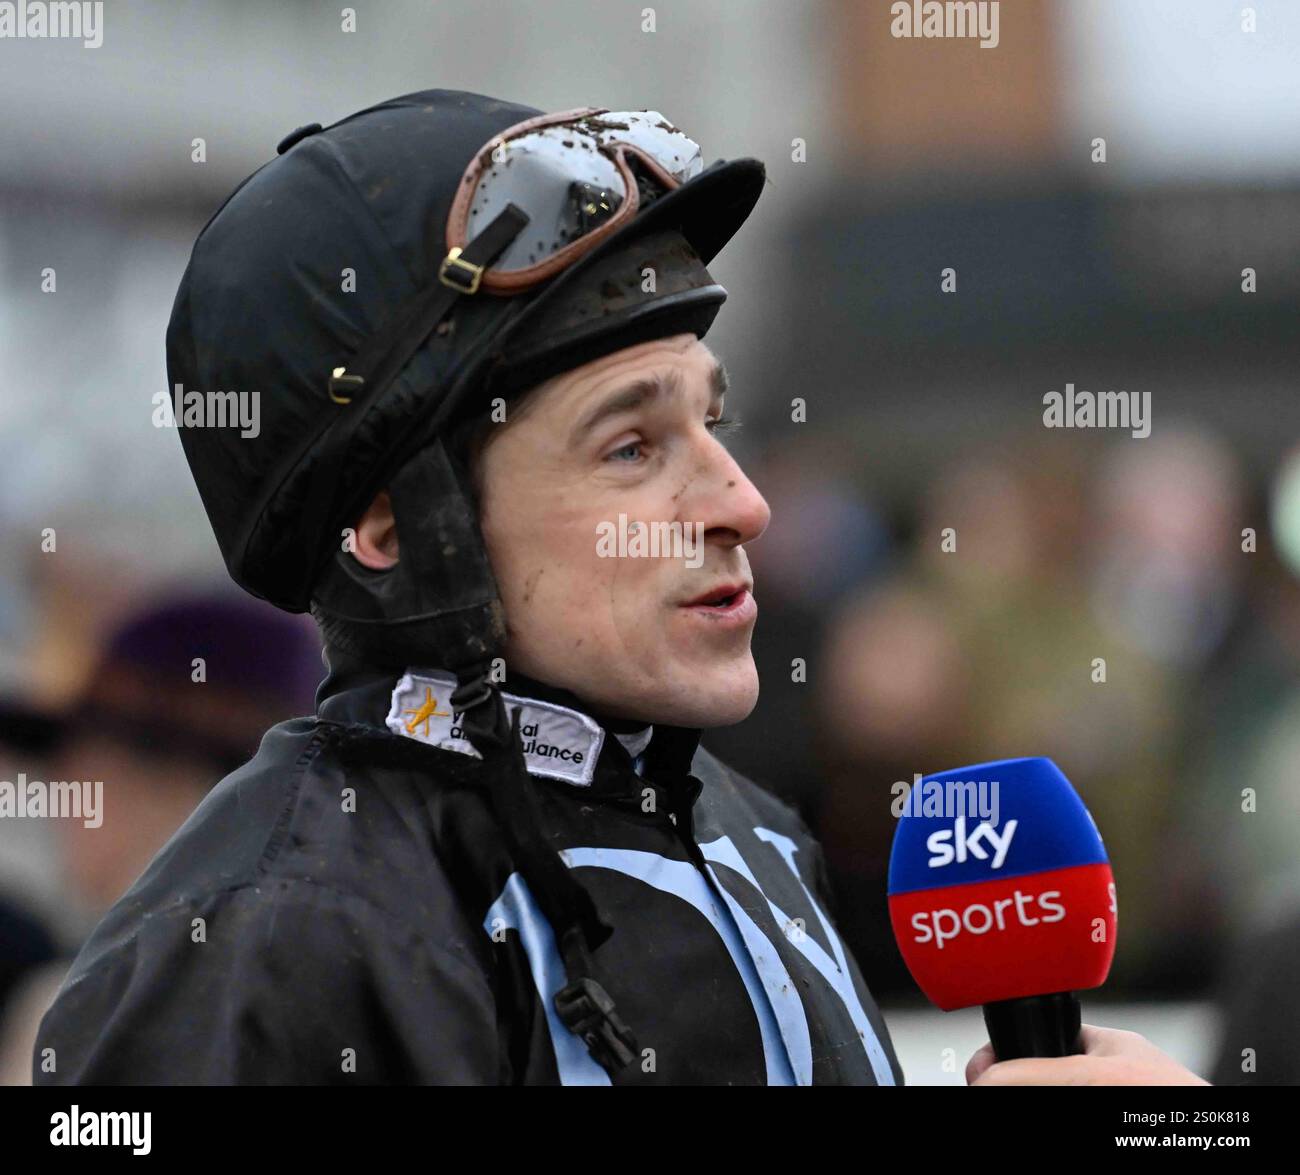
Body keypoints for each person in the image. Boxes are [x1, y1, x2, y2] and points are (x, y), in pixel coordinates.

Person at [32, 89, 1204, 1085]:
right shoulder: (266, 942)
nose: (742, 502)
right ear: (390, 523)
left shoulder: (752, 835)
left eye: (712, 418)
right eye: (631, 446)